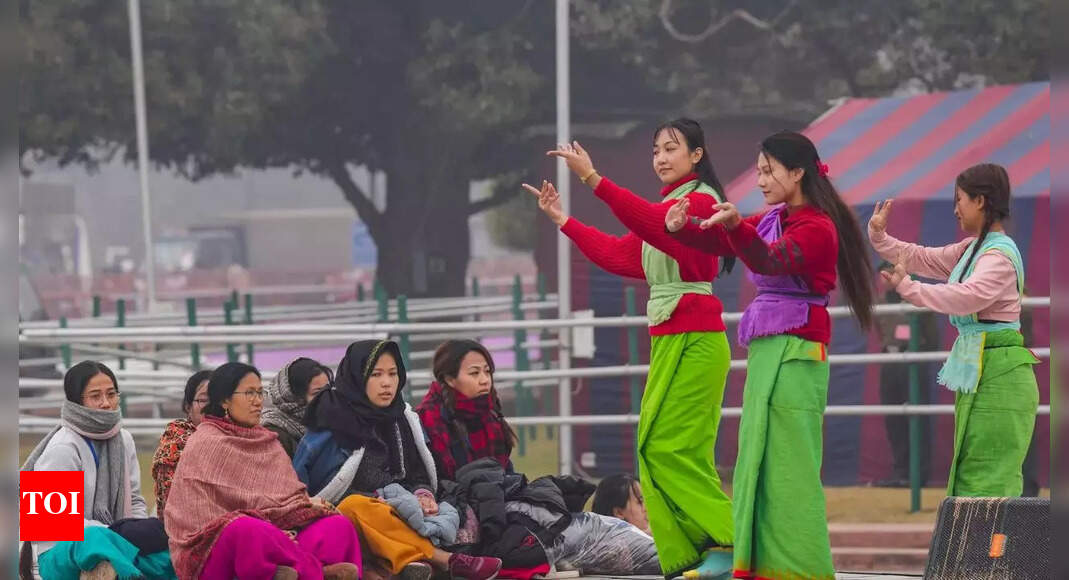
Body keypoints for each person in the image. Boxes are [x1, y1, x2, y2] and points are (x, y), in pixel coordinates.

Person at [525, 118, 734, 578]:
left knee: (667, 448)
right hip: (672, 339)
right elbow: (620, 254)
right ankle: (705, 548)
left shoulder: (701, 202)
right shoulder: (667, 209)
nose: (661, 158)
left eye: (671, 148)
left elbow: (652, 224)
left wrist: (592, 178)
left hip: (695, 340)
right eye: (656, 150)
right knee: (664, 448)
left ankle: (727, 540)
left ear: (697, 155)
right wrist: (562, 219)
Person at [665, 130, 876, 579]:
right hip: (772, 349)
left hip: (798, 351)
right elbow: (729, 244)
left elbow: (770, 260)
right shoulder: (778, 216)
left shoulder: (817, 227)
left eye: (768, 171)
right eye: (759, 171)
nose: (760, 180)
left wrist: (735, 226)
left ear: (797, 173)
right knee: (757, 460)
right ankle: (756, 564)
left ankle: (802, 569)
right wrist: (686, 229)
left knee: (790, 466)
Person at [869, 162, 1039, 497]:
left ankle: (992, 535)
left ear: (980, 201)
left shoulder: (999, 255)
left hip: (1001, 373)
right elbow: (919, 257)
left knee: (989, 478)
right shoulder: (971, 249)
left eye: (959, 199)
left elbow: (966, 297)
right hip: (983, 367)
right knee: (974, 473)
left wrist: (909, 288)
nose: (955, 208)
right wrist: (879, 236)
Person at [296, 340, 503, 580]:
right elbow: (312, 491)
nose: (387, 383)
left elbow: (419, 474)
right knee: (355, 506)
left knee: (458, 503)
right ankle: (442, 559)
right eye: (376, 374)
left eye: (393, 374)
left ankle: (402, 565)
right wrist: (385, 501)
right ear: (357, 377)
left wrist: (423, 495)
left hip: (403, 510)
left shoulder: (402, 419)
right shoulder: (331, 420)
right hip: (353, 517)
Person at [164, 362, 362, 580]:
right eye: (249, 393)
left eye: (260, 393)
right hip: (215, 551)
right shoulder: (205, 442)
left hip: (280, 539)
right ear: (224, 400)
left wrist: (293, 517)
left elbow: (289, 499)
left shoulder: (267, 441)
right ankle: (317, 574)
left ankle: (294, 572)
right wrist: (269, 529)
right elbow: (201, 519)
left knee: (337, 526)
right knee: (245, 528)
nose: (257, 401)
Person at [21, 361, 174, 580]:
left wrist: (140, 533)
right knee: (93, 539)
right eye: (95, 396)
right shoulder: (61, 448)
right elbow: (49, 524)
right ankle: (131, 574)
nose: (106, 403)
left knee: (165, 551)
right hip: (62, 552)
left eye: (111, 394)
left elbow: (135, 500)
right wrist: (114, 530)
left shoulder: (124, 440)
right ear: (76, 402)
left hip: (119, 543)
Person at [415, 339, 517, 482]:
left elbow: (507, 471)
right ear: (449, 379)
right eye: (474, 373)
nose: (485, 380)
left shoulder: (492, 416)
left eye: (487, 372)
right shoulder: (427, 420)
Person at [874, 277, 939, 488]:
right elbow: (880, 331)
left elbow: (932, 337)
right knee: (893, 417)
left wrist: (916, 351)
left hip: (913, 360)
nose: (886, 278)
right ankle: (900, 472)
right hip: (889, 361)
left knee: (917, 417)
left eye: (890, 272)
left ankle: (919, 474)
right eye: (882, 273)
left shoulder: (917, 299)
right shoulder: (880, 302)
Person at [152, 369, 212, 518]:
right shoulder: (175, 444)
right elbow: (174, 505)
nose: (212, 407)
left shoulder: (236, 441)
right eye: (204, 400)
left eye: (218, 400)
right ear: (188, 406)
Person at [262, 357, 333, 457]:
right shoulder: (274, 435)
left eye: (328, 390)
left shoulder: (330, 423)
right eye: (317, 393)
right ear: (294, 397)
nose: (326, 397)